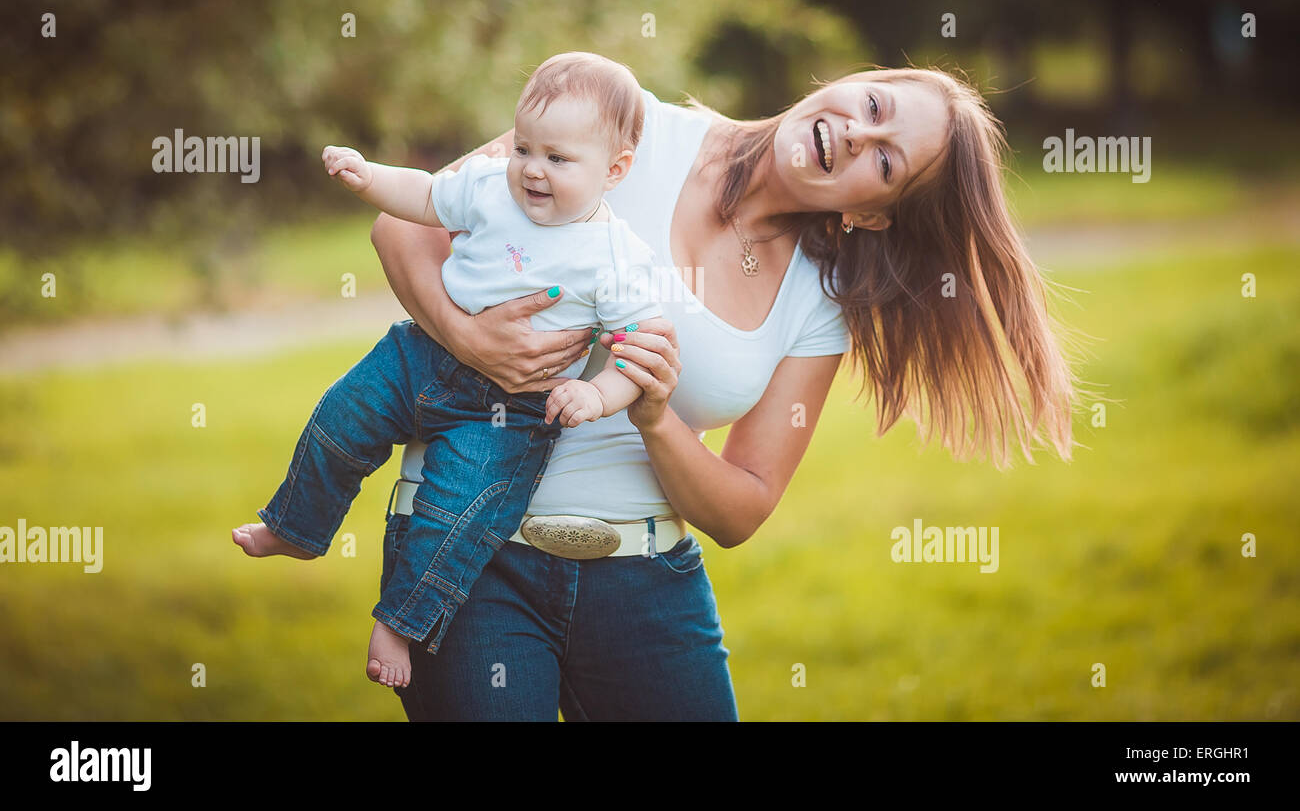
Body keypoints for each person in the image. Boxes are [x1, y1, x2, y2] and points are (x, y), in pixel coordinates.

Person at [371, 65, 1078, 721]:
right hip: (465, 547)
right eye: (873, 105)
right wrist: (472, 342)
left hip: (646, 582)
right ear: (852, 80)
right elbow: (405, 223)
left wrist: (656, 418)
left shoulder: (818, 299)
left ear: (874, 215)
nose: (859, 134)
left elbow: (744, 504)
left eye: (885, 162)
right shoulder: (626, 133)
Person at [232, 52, 662, 689]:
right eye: (524, 148)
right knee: (340, 420)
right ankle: (296, 525)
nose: (532, 170)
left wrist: (596, 397)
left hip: (513, 411)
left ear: (615, 170)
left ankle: (401, 624)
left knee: (457, 514)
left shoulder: (616, 256)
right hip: (422, 357)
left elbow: (636, 350)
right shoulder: (492, 186)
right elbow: (425, 196)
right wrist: (366, 176)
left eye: (558, 159)